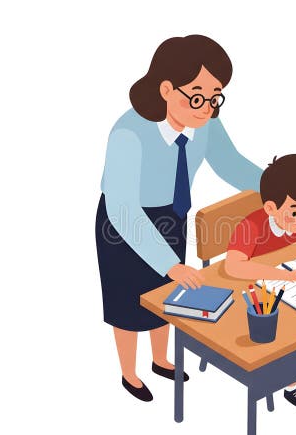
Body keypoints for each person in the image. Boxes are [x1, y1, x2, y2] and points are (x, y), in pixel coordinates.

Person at [96, 35, 263, 402]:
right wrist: (169, 263)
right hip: (123, 223)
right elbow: (123, 208)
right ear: (167, 89)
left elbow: (230, 163)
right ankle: (129, 373)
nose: (207, 108)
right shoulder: (128, 133)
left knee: (168, 294)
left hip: (172, 214)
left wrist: (271, 184)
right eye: (198, 96)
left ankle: (160, 359)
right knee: (128, 303)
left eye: (215, 97)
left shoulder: (206, 123)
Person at [224, 154, 296, 408]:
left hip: (292, 290)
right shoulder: (252, 226)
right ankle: (289, 383)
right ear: (271, 208)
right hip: (256, 297)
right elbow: (233, 266)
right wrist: (283, 275)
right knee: (287, 330)